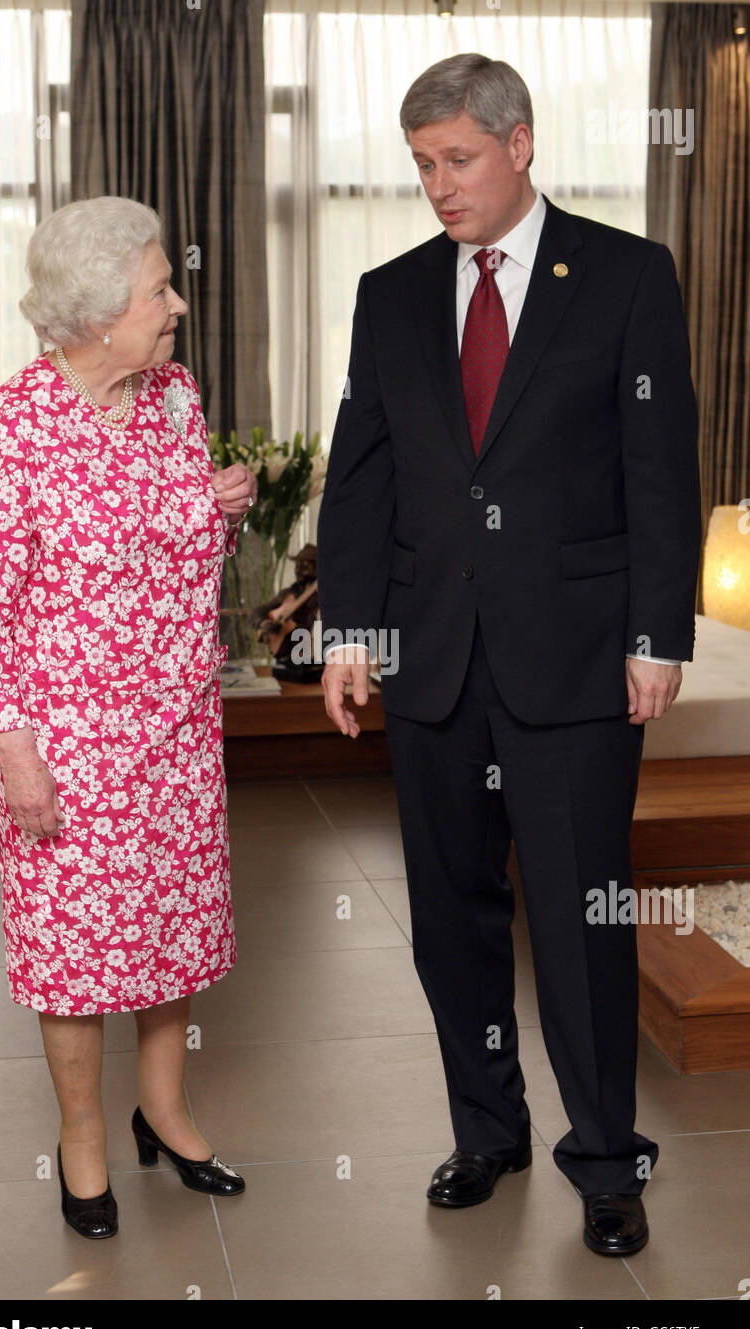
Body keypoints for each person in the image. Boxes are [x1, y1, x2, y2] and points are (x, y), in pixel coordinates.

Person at [317, 54, 701, 1256]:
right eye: (421, 164)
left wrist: (656, 633)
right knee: (451, 914)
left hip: (580, 660)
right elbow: (361, 479)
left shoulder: (627, 277)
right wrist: (351, 632)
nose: (436, 185)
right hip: (432, 660)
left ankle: (604, 1159)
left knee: (581, 917)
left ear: (519, 144)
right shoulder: (388, 295)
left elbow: (658, 470)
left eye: (457, 161)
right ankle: (485, 1128)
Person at [0, 196, 257, 1239]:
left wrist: (220, 507)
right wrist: (15, 746)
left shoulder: (175, 398)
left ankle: (164, 1110)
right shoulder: (13, 424)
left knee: (169, 931)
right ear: (92, 317)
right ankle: (81, 1136)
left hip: (176, 731)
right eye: (157, 292)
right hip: (68, 745)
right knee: (77, 953)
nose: (176, 305)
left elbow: (180, 559)